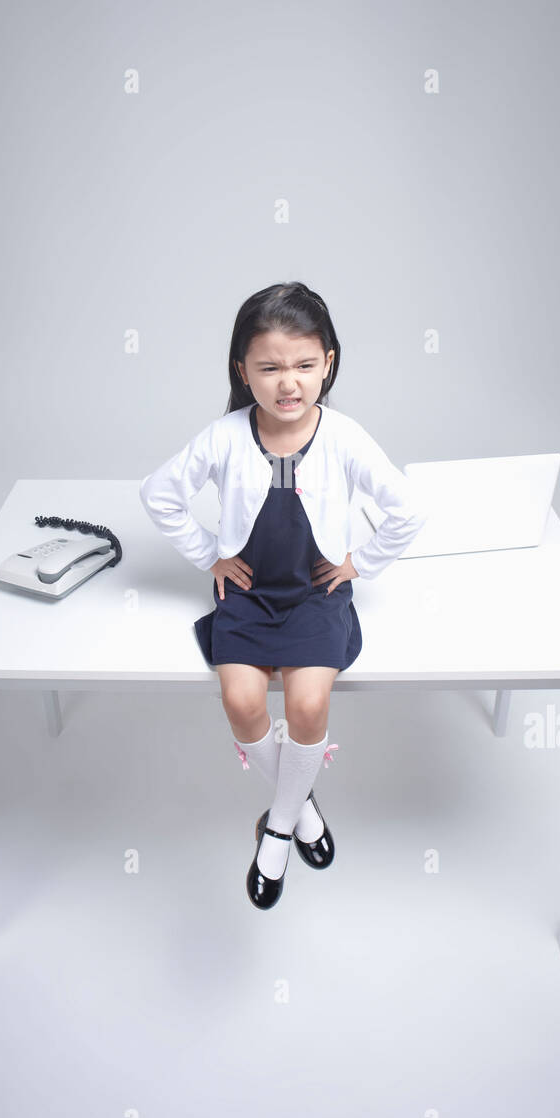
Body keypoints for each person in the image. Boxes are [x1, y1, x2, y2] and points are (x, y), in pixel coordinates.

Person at [139, 282, 427, 910]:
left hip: (315, 596)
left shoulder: (346, 436)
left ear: (329, 362)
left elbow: (408, 511)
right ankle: (300, 809)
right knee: (241, 701)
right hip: (249, 595)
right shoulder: (224, 436)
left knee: (307, 704)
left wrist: (362, 563)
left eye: (303, 365)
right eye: (269, 367)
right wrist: (207, 554)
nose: (287, 383)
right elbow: (158, 493)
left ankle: (275, 828)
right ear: (243, 371)